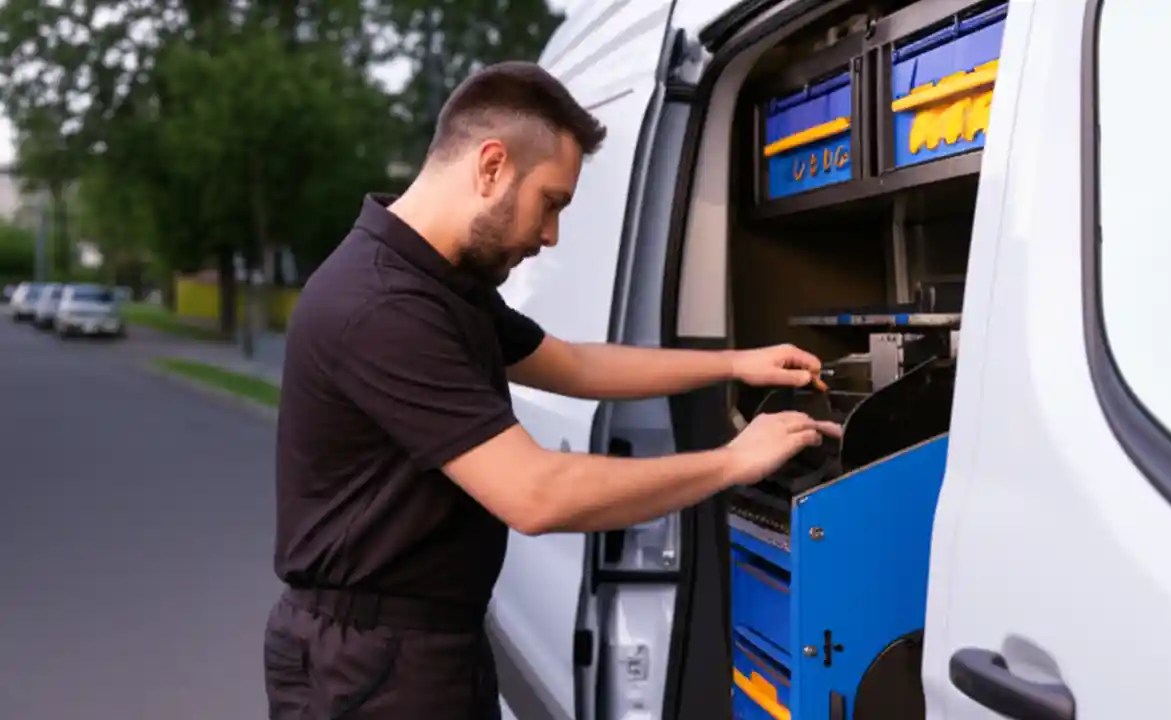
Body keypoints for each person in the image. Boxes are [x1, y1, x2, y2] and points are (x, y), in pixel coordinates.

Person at [262, 60, 841, 719]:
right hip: (369, 665)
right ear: (490, 166)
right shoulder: (383, 305)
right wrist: (733, 462)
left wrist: (737, 364)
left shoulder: (442, 282)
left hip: (420, 645)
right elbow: (535, 495)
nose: (549, 235)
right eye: (552, 203)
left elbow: (572, 366)